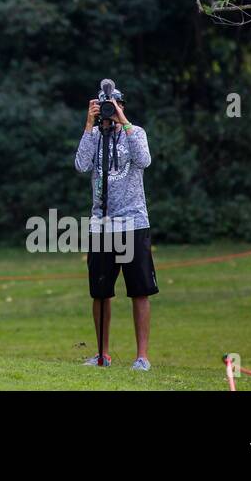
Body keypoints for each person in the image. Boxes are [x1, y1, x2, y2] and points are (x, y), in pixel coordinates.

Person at [75, 85, 156, 371]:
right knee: (100, 292)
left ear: (122, 104)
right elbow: (81, 164)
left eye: (113, 104)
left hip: (133, 221)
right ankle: (101, 354)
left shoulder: (136, 132)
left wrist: (124, 122)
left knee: (140, 290)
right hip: (101, 224)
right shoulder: (94, 136)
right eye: (104, 106)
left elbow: (144, 160)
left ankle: (142, 357)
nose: (108, 110)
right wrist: (88, 125)